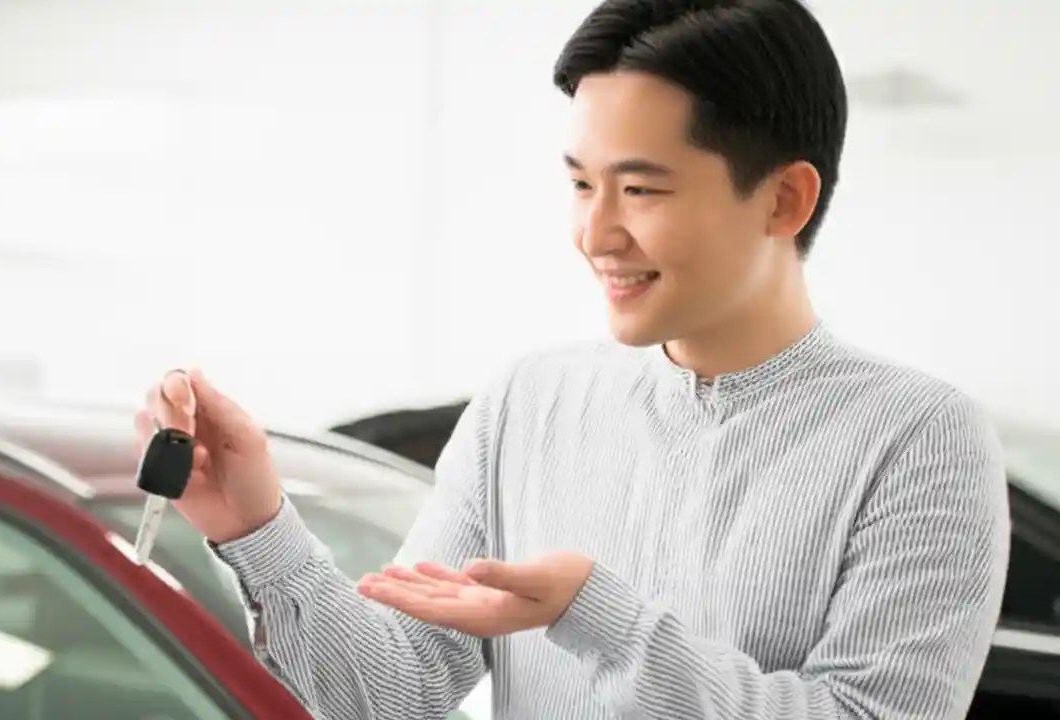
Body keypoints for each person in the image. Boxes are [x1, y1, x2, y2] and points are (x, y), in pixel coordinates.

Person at [135, 0, 1010, 717]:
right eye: (582, 184)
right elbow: (394, 692)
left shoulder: (921, 438)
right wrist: (254, 524)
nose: (596, 233)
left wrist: (603, 617)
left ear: (784, 197)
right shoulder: (532, 399)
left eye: (640, 189)